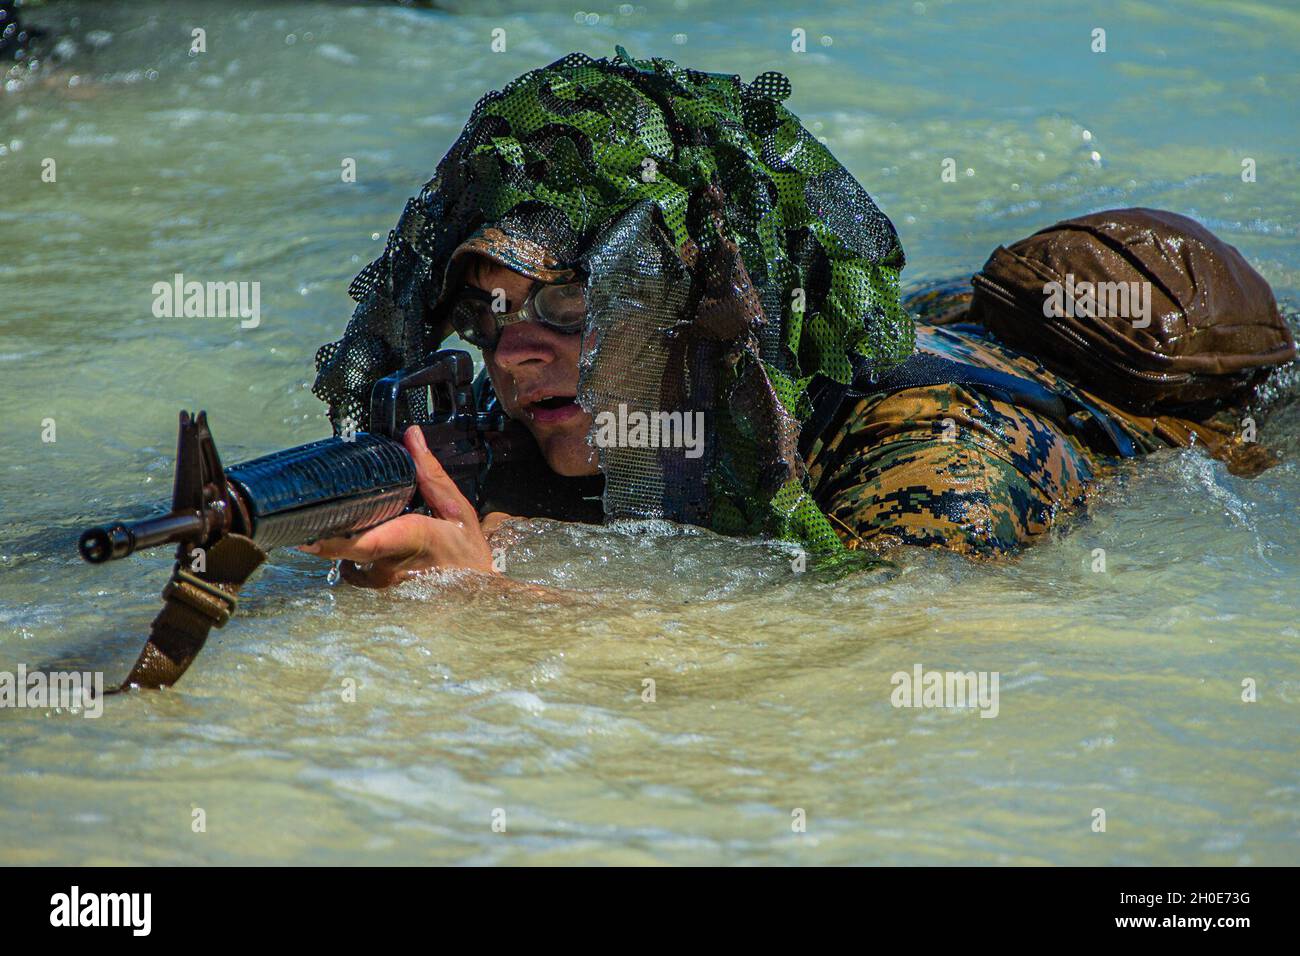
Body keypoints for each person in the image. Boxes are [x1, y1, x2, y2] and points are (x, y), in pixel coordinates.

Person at [301, 50, 1294, 586]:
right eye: (488, 309)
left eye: (577, 305)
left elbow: (865, 671)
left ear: (705, 308)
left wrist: (485, 599)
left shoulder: (942, 465)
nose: (518, 352)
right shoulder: (569, 412)